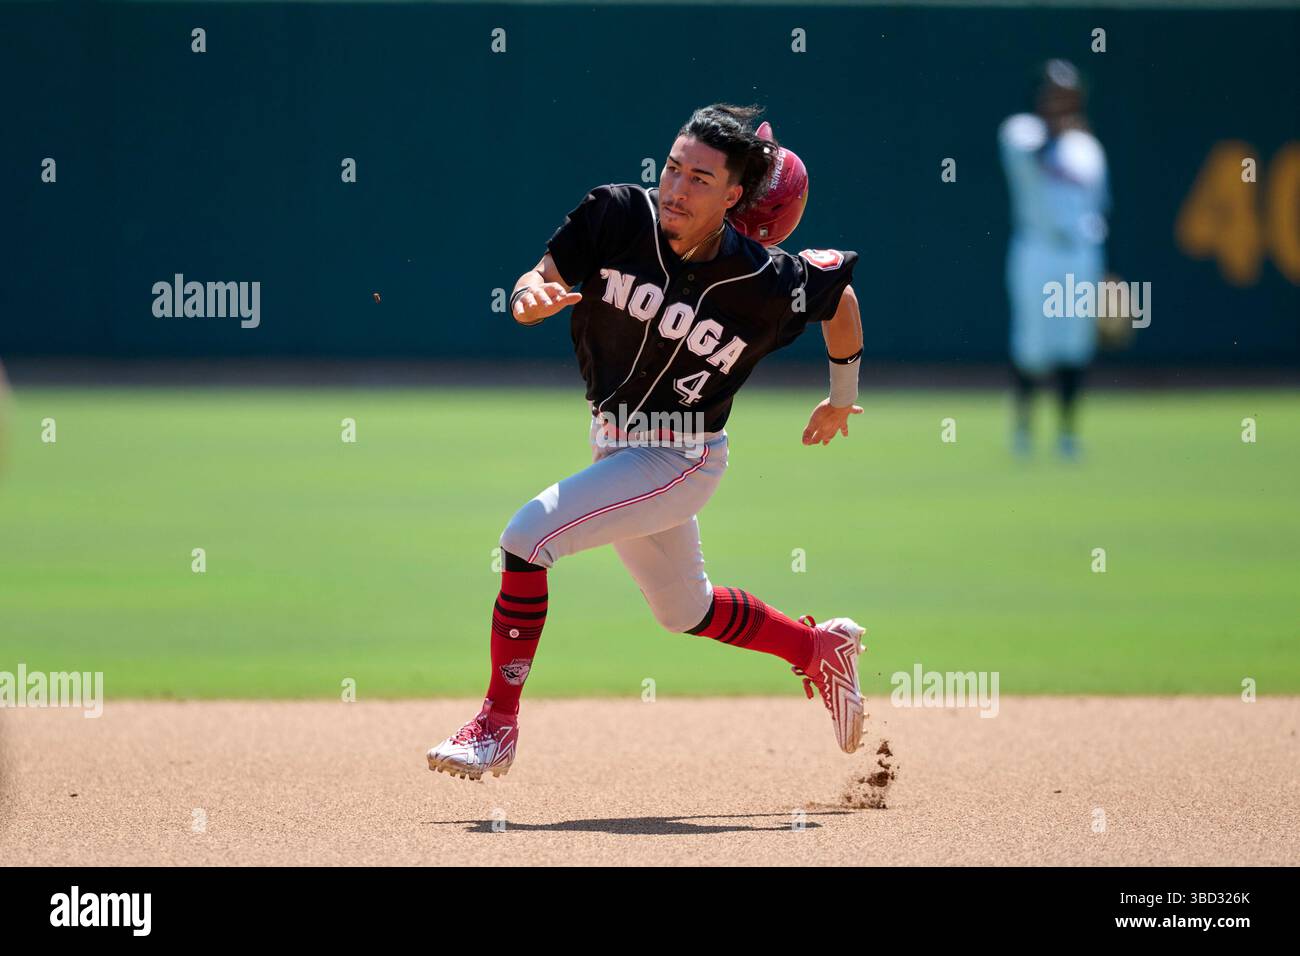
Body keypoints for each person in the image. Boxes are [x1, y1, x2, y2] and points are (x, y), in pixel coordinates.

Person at [427, 104, 867, 781]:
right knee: (685, 610)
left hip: (682, 458)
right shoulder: (616, 216)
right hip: (614, 444)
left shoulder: (765, 280)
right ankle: (816, 650)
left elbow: (837, 294)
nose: (675, 187)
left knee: (526, 539)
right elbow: (539, 277)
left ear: (734, 196)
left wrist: (841, 399)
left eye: (699, 178)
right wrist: (527, 298)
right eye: (671, 168)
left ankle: (495, 724)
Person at [999, 59, 1110, 459]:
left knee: (1074, 344)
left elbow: (1096, 208)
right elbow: (1036, 155)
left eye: (1067, 94)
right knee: (1032, 343)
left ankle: (1067, 434)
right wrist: (1059, 126)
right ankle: (1024, 431)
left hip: (1079, 253)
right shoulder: (1020, 132)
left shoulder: (1088, 148)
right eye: (1053, 92)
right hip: (1037, 250)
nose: (1060, 100)